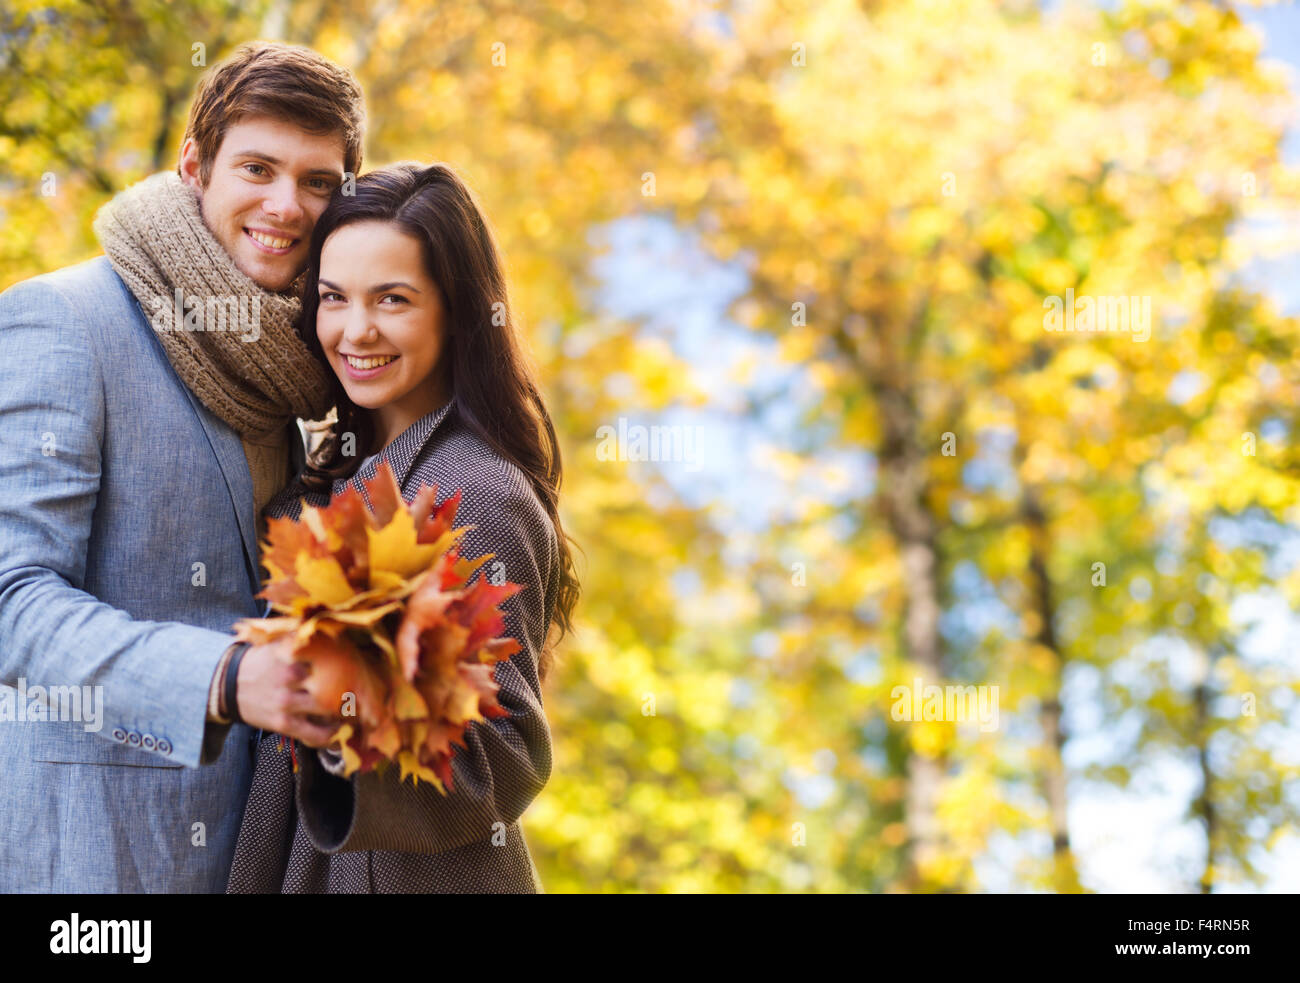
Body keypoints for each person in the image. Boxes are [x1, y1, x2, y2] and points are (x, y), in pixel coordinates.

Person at [0, 41, 366, 892]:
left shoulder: (292, 368)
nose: (289, 206)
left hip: (251, 858)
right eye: (259, 169)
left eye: (319, 182)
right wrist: (227, 677)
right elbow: (12, 602)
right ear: (194, 165)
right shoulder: (65, 322)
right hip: (88, 871)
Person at [226, 162, 580, 893]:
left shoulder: (469, 490)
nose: (356, 330)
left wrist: (333, 710)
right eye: (333, 298)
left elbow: (507, 749)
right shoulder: (332, 475)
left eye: (392, 299)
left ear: (456, 310)